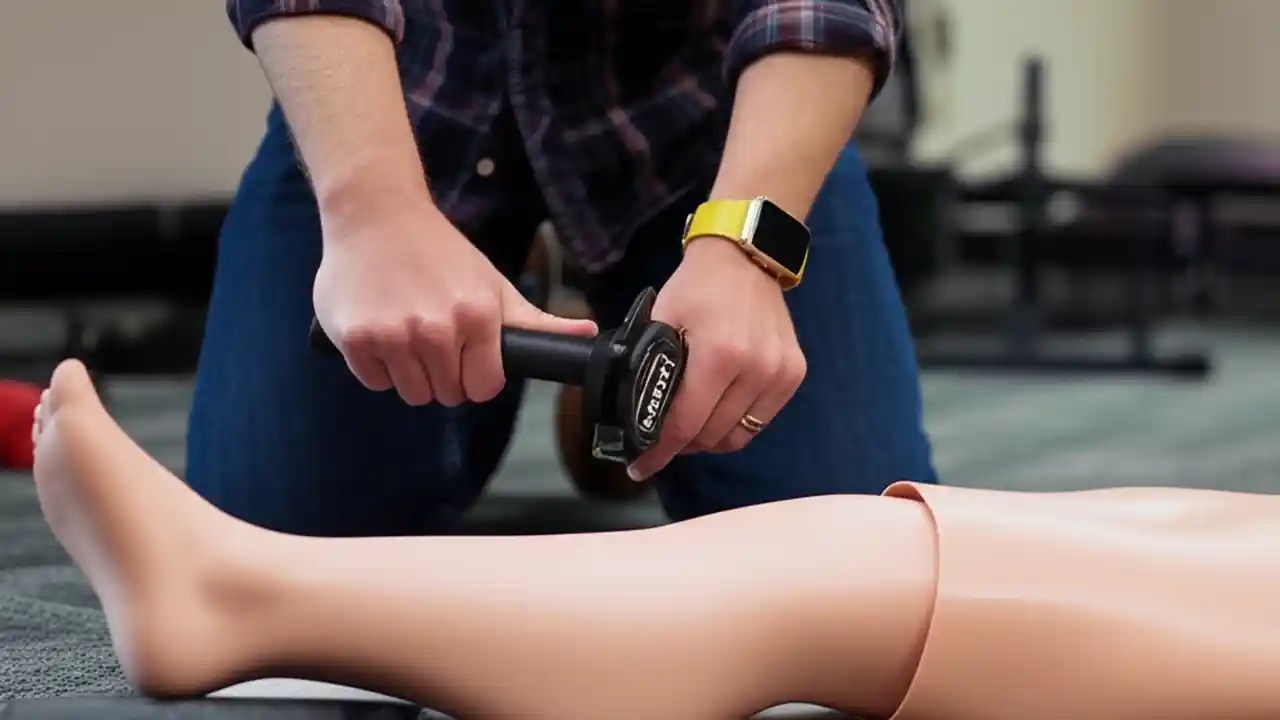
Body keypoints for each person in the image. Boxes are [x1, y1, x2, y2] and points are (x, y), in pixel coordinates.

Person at [32, 359, 1280, 719]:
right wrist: (371, 199)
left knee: (873, 561)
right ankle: (246, 579)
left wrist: (747, 229)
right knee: (1157, 526)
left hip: (708, 129)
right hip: (429, 117)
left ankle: (241, 591)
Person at [187, 0, 937, 536]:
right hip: (397, 109)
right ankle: (534, 285)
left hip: (704, 131)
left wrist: (744, 251)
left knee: (858, 548)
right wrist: (371, 211)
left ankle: (599, 371)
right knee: (274, 537)